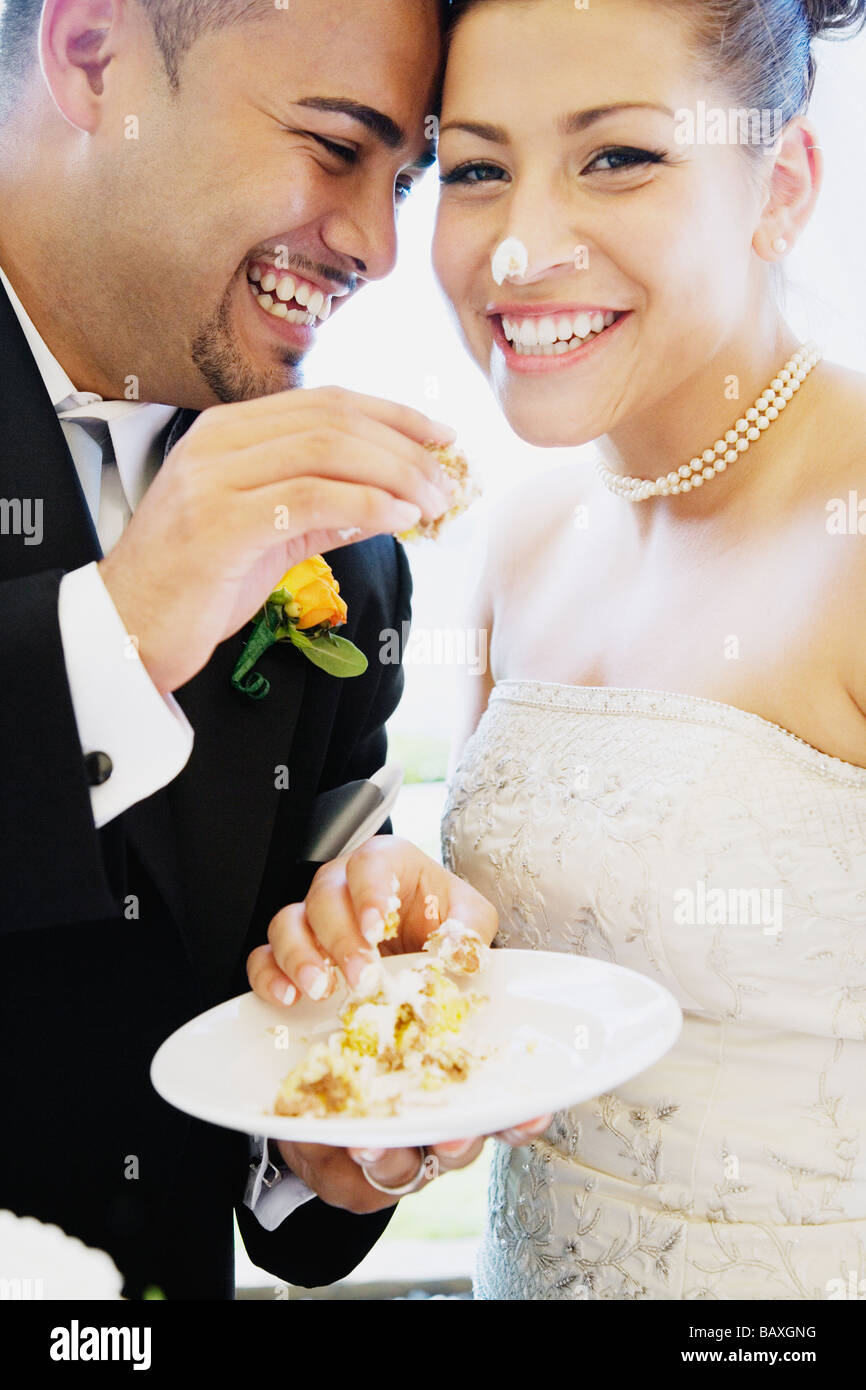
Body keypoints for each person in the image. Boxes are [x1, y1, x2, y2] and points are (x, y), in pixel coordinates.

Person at [258, 0, 866, 1298]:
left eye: (616, 156)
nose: (519, 245)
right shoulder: (528, 533)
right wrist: (411, 991)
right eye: (475, 168)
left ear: (783, 183)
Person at [0, 0, 546, 1302]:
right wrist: (113, 640)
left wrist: (336, 1117)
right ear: (90, 57)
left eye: (405, 176)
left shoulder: (341, 557)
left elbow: (261, 1056)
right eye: (332, 144)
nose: (375, 243)